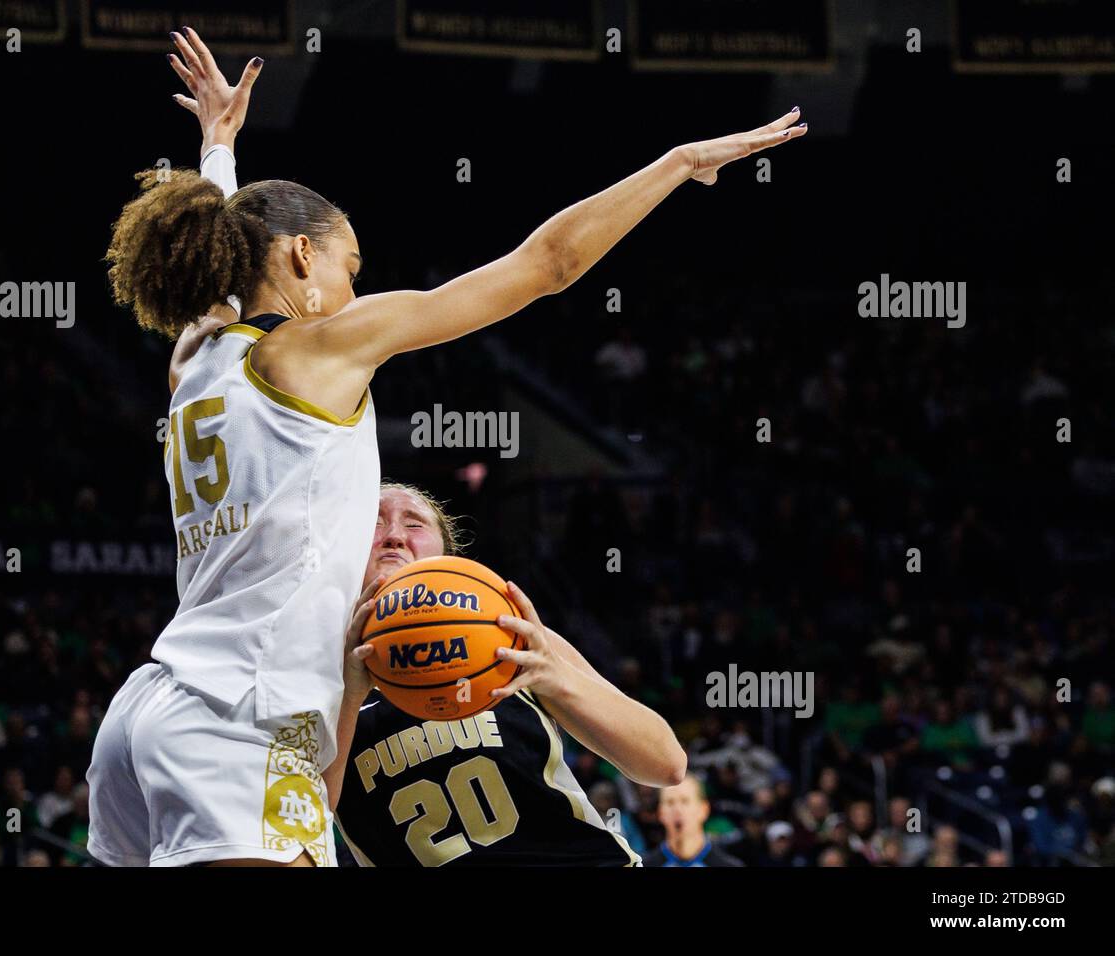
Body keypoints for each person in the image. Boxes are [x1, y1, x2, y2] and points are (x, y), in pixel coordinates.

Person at [89, 27, 806, 869]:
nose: (354, 291)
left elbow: (220, 282)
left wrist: (219, 148)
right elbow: (548, 265)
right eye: (350, 267)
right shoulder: (318, 349)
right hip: (247, 718)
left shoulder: (196, 360)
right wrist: (677, 164)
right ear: (302, 255)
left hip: (150, 709)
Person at [330, 483, 686, 865]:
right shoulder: (311, 670)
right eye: (374, 524)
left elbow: (665, 764)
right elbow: (305, 816)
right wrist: (350, 696)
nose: (395, 537)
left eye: (414, 524)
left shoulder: (510, 634)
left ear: (449, 558)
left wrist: (554, 677)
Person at [643, 777, 744, 867]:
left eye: (685, 801)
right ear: (660, 813)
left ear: (704, 810)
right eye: (670, 802)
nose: (677, 809)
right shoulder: (643, 865)